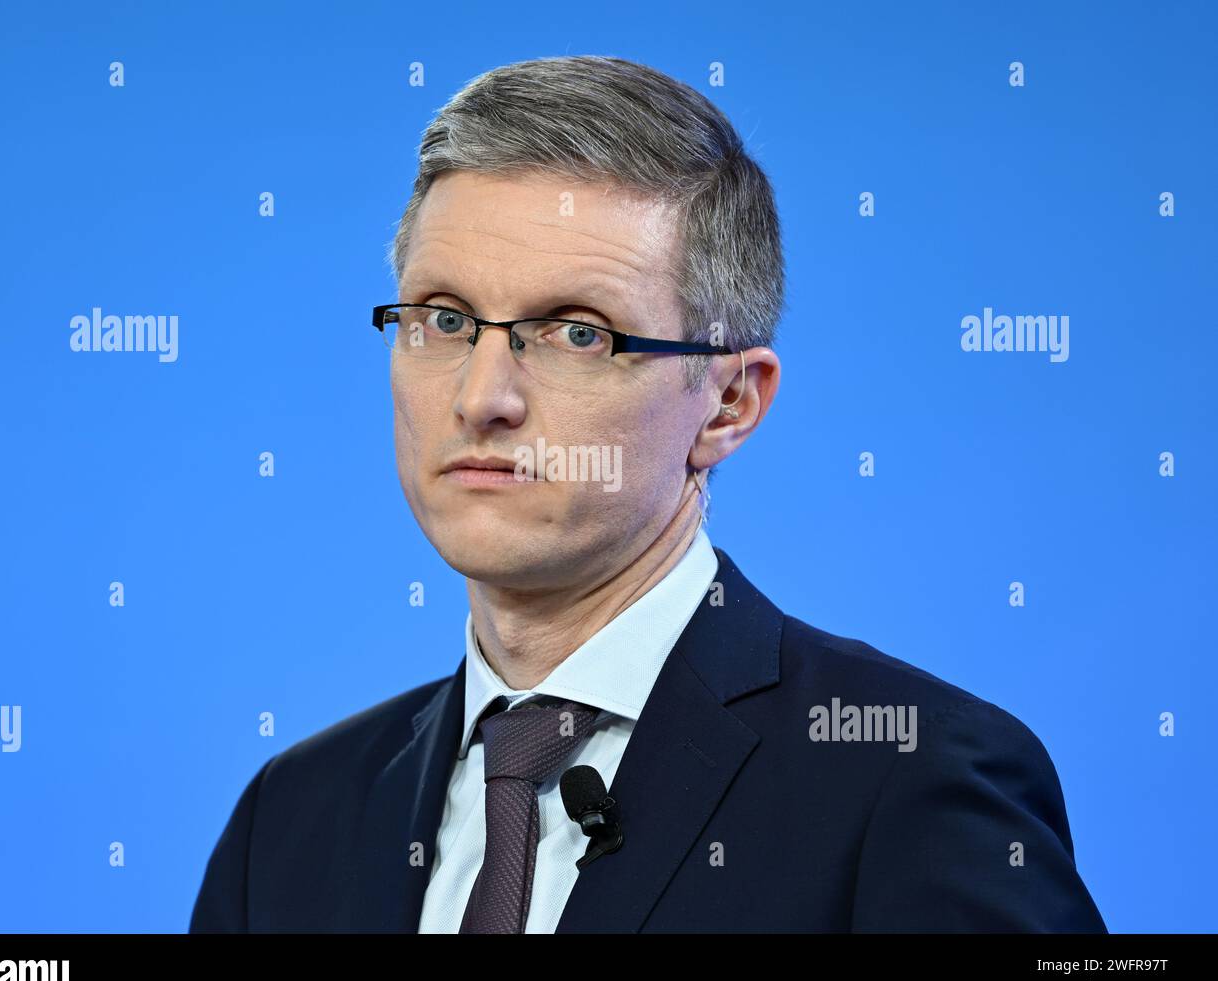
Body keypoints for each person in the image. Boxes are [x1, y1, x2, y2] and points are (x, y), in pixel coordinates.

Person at [189, 55, 1106, 933]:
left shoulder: (909, 775)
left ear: (729, 403)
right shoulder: (291, 819)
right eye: (443, 319)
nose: (482, 398)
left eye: (577, 334)